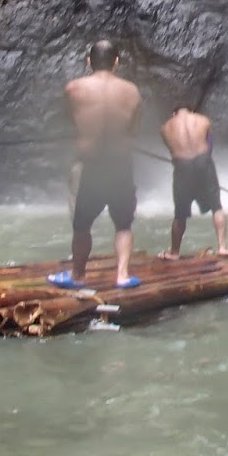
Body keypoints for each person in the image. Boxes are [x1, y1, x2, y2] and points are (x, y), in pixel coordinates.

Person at [50, 39, 143, 290]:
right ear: (116, 62)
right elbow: (133, 130)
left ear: (89, 61)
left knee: (82, 225)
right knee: (123, 224)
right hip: (120, 165)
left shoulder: (74, 89)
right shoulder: (132, 91)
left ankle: (78, 275)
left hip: (92, 165)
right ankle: (122, 275)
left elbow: (69, 120)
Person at [159, 99, 228, 260]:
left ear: (174, 114)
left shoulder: (165, 128)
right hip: (204, 163)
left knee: (180, 214)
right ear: (191, 111)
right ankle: (222, 247)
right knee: (216, 207)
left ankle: (174, 253)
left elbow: (172, 149)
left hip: (182, 166)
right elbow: (209, 145)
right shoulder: (203, 120)